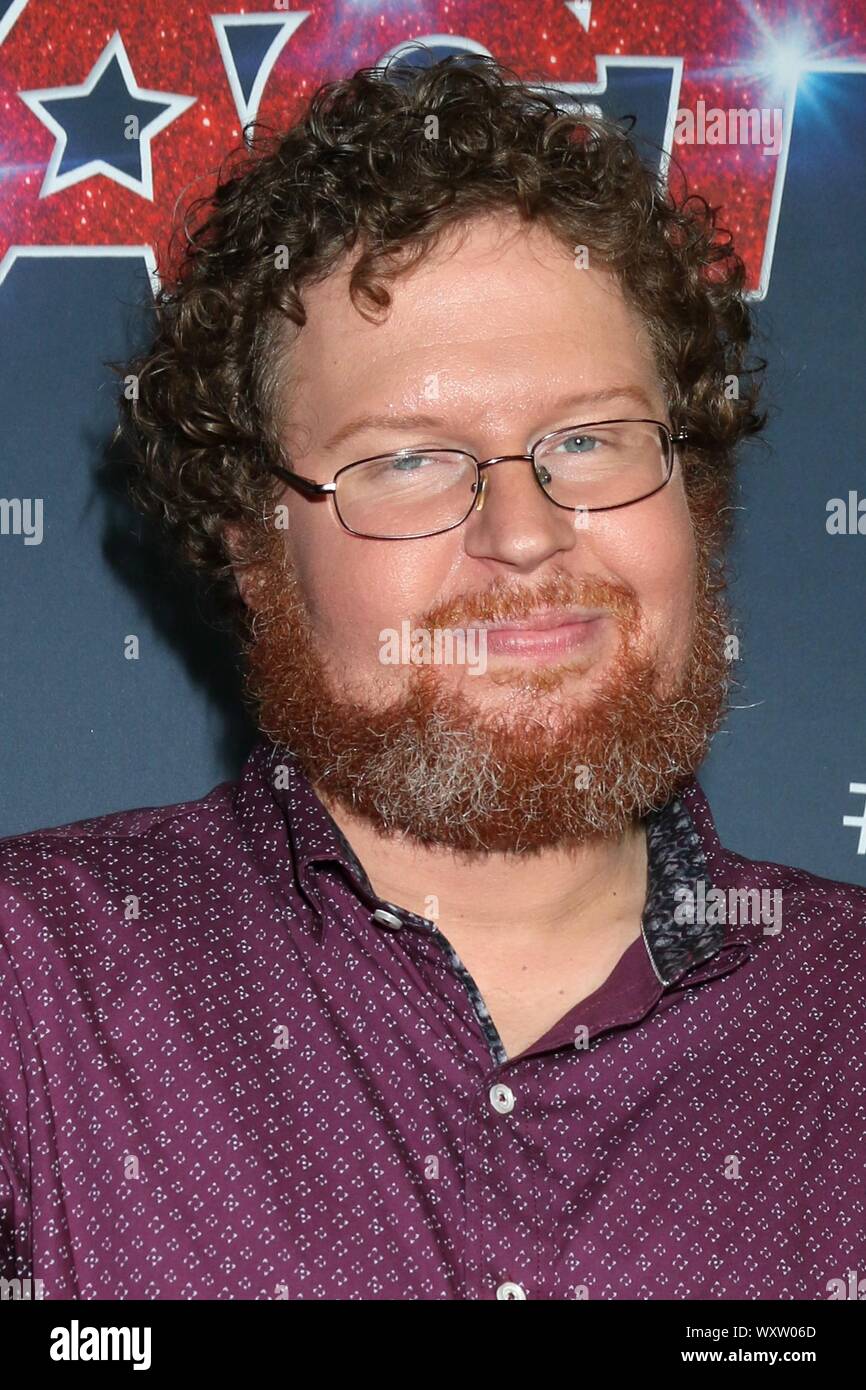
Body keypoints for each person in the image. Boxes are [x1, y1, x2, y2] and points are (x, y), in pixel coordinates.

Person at [1, 55, 864, 1302]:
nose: (523, 530)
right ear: (253, 545)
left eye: (585, 438)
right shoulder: (34, 999)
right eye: (408, 460)